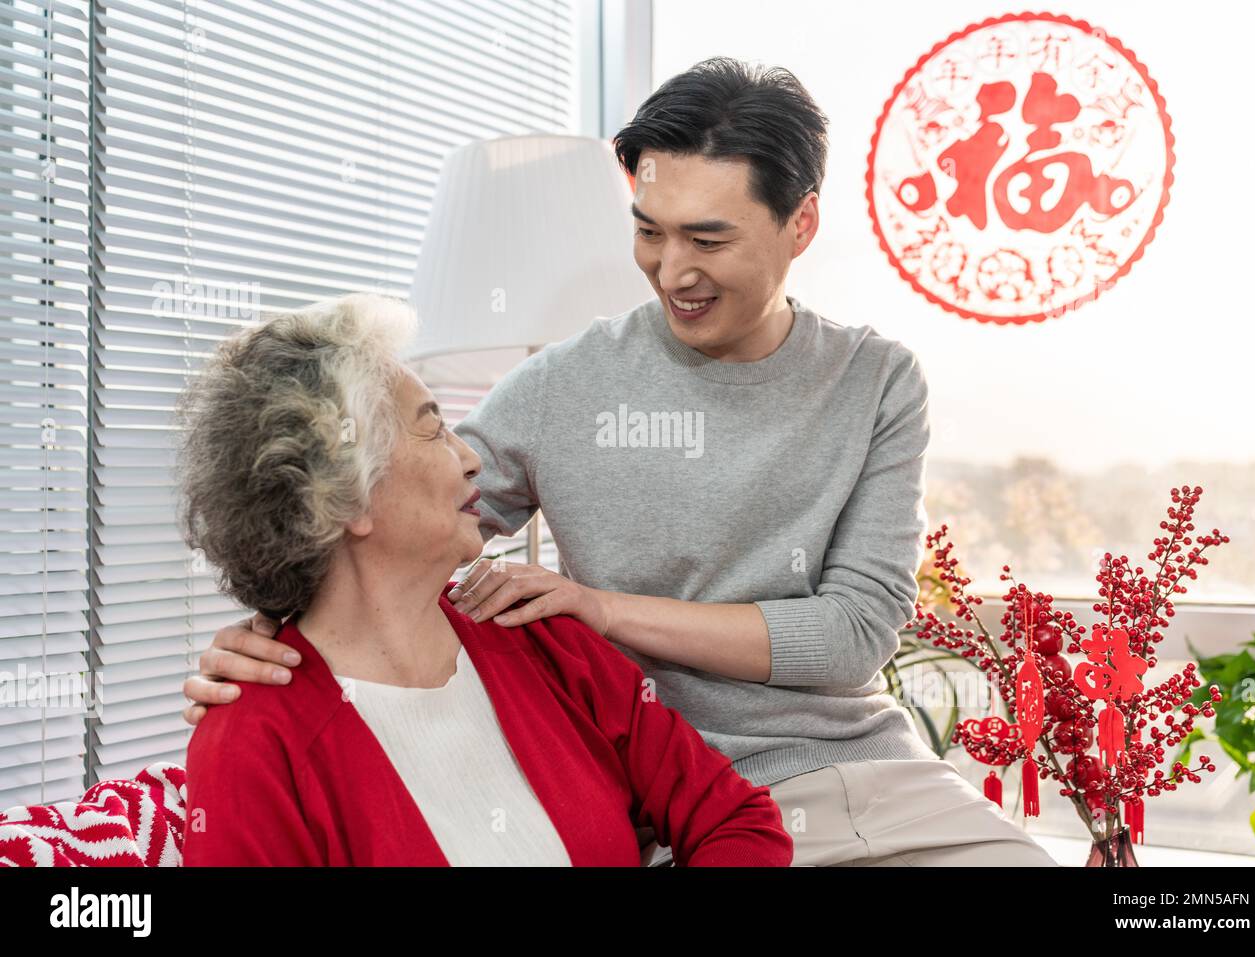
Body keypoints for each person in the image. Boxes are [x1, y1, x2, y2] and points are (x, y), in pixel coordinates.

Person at [183, 58, 1058, 866]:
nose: (672, 271)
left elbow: (851, 636)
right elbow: (367, 514)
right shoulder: (564, 384)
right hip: (682, 798)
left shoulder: (876, 381)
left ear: (802, 224)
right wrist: (264, 640)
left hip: (874, 775)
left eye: (708, 240)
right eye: (650, 232)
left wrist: (603, 607)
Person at [175, 293, 792, 866]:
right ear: (343, 498)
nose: (471, 456)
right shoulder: (251, 744)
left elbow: (739, 821)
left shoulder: (540, 636)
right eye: (433, 427)